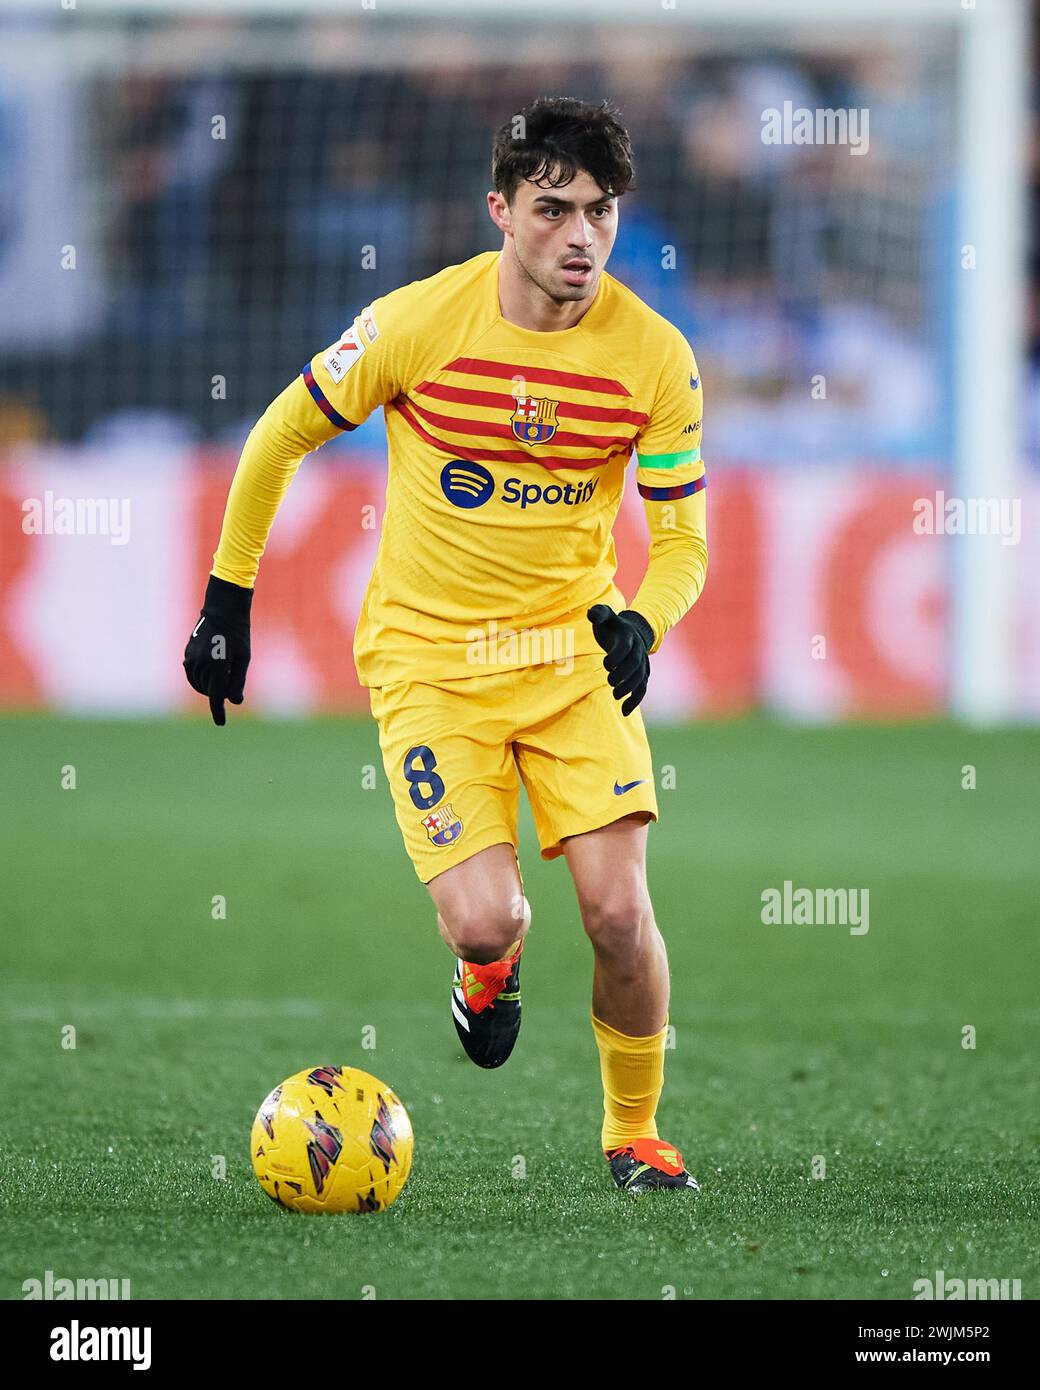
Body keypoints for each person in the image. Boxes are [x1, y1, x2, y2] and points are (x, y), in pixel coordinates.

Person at [184, 96, 708, 1194]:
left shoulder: (655, 359)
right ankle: (487, 968)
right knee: (485, 917)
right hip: (430, 661)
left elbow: (680, 543)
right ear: (499, 210)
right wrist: (227, 601)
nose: (580, 237)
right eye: (553, 209)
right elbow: (280, 431)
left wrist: (642, 623)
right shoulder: (419, 323)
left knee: (618, 913)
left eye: (600, 212)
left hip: (572, 663)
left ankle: (634, 1133)